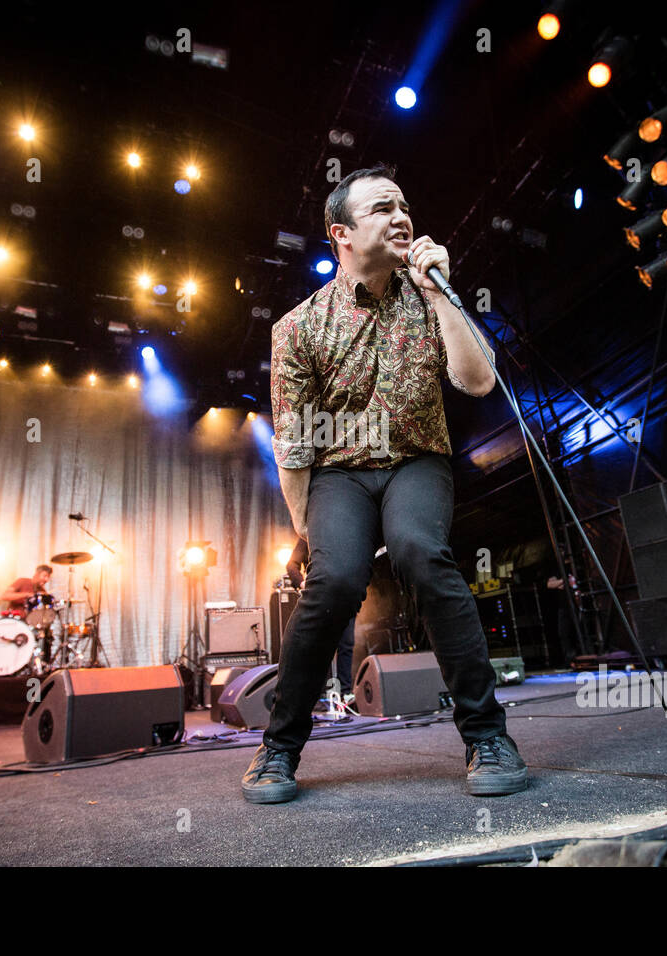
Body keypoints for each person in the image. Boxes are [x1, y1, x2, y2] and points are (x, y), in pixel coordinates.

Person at [242, 164, 525, 804]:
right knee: (336, 579)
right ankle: (278, 748)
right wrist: (307, 527)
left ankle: (488, 738)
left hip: (417, 459)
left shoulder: (429, 297)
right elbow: (294, 441)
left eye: (405, 205)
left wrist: (440, 294)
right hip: (339, 472)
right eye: (382, 209)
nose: (402, 217)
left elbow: (477, 382)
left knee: (422, 554)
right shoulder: (298, 328)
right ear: (342, 234)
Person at [285, 536, 356, 699]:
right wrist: (302, 583)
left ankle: (344, 693)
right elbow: (291, 565)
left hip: (345, 594)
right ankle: (322, 693)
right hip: (320, 596)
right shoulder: (308, 536)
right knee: (320, 645)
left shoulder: (345, 535)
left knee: (346, 644)